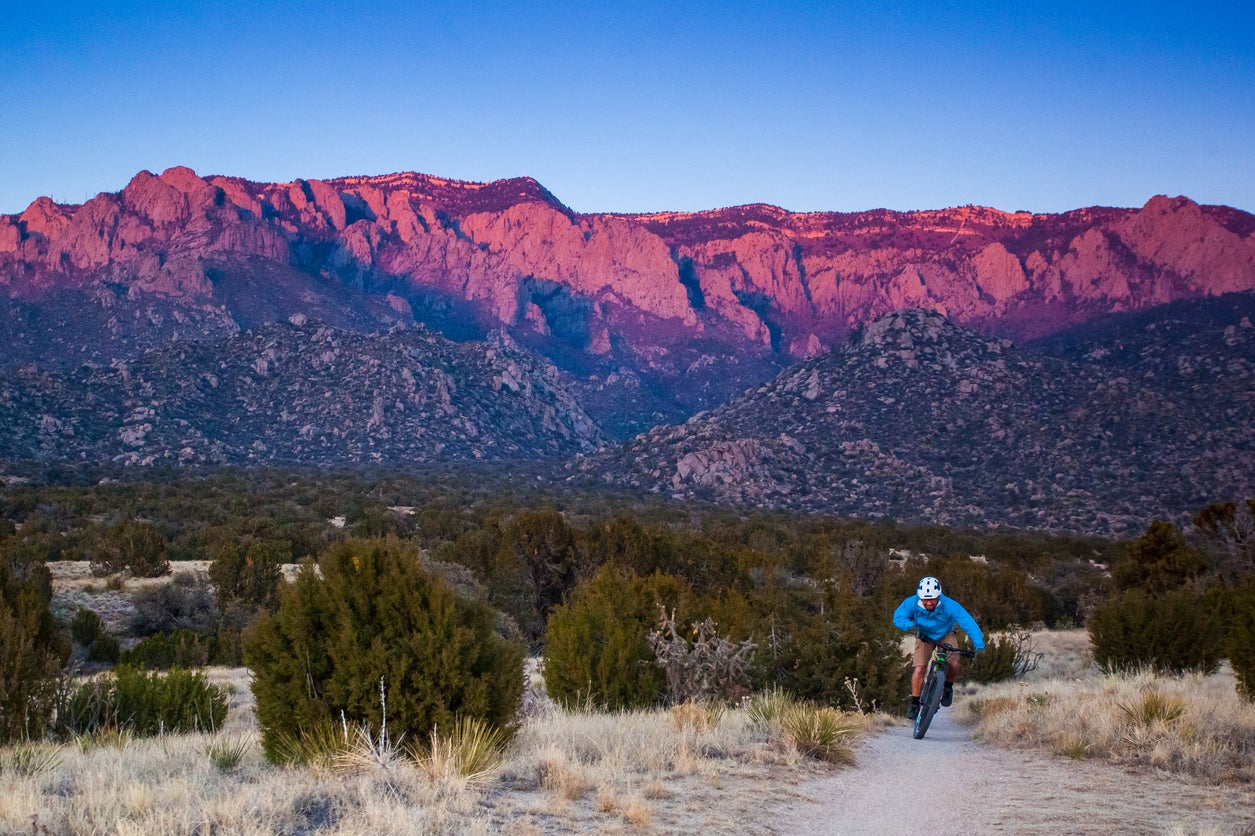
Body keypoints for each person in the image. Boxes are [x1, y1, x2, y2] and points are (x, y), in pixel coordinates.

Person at [893, 576, 984, 720]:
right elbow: (898, 617)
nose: (929, 603)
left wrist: (979, 645)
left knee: (953, 663)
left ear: (939, 596)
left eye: (932, 599)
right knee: (919, 669)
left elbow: (968, 623)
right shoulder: (911, 602)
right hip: (923, 634)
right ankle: (915, 704)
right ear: (920, 596)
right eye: (925, 600)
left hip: (945, 634)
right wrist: (911, 627)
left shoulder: (949, 605)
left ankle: (947, 687)